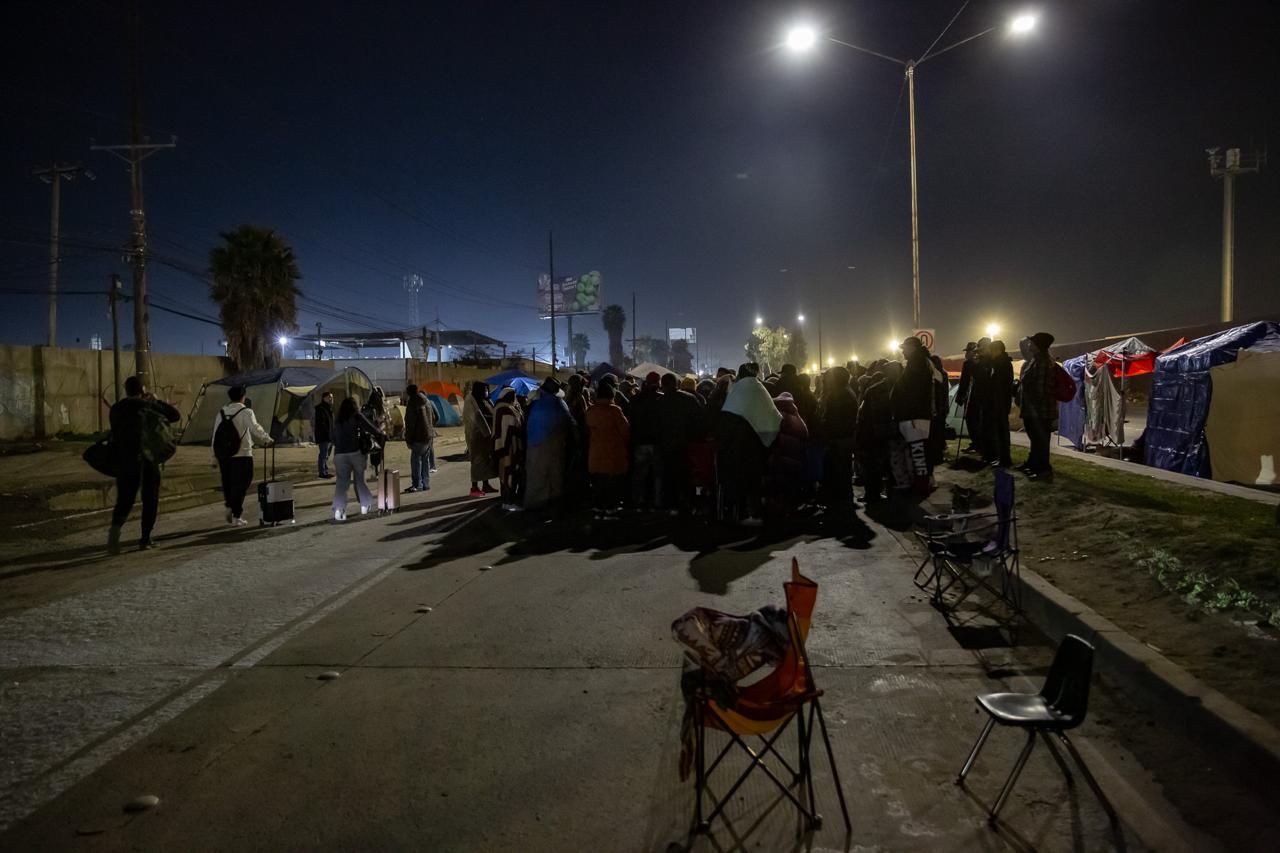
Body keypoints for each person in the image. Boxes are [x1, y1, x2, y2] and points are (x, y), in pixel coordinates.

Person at [107, 375, 180, 554]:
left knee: (124, 499)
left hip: (124, 460)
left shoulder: (116, 409)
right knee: (150, 499)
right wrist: (156, 401)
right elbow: (174, 416)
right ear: (143, 390)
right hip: (147, 459)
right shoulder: (148, 406)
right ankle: (145, 539)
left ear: (126, 390)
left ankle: (114, 533)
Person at [716, 364, 780, 526]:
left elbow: (725, 420)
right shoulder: (760, 390)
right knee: (754, 481)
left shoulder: (736, 391)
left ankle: (740, 513)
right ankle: (755, 513)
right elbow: (774, 417)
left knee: (739, 481)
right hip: (757, 446)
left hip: (736, 447)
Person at [213, 384, 273, 527]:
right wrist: (267, 439)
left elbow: (215, 436)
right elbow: (255, 428)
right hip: (243, 453)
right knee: (242, 484)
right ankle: (236, 515)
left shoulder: (222, 412)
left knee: (228, 483)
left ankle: (230, 505)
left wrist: (213, 455)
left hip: (224, 455)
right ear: (243, 397)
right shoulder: (246, 411)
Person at [891, 337, 934, 496]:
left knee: (918, 453)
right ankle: (921, 484)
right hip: (916, 415)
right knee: (919, 453)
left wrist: (904, 410)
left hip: (915, 416)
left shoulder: (917, 364)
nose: (902, 351)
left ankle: (921, 487)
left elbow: (911, 392)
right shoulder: (920, 363)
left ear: (913, 348)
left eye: (905, 348)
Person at [524, 377, 576, 511]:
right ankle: (554, 507)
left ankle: (536, 507)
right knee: (555, 476)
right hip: (554, 444)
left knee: (537, 476)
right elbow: (570, 423)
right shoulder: (559, 403)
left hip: (534, 443)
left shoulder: (534, 402)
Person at [331, 397, 385, 521]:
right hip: (356, 452)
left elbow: (331, 437)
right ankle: (364, 505)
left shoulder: (337, 419)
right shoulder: (356, 416)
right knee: (359, 480)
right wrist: (380, 433)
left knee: (341, 484)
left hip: (339, 455)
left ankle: (339, 510)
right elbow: (370, 428)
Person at [658, 372, 704, 513]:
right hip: (686, 445)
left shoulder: (659, 403)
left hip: (666, 445)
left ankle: (672, 505)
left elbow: (655, 425)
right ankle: (688, 503)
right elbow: (699, 421)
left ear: (662, 385)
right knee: (686, 475)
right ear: (677, 384)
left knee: (669, 476)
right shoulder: (690, 399)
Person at [586, 384, 630, 517]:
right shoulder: (615, 410)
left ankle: (598, 507)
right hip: (613, 453)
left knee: (598, 482)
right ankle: (611, 508)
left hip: (595, 452)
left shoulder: (590, 411)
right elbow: (625, 430)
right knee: (612, 483)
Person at [1019, 332, 1058, 479]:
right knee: (1036, 440)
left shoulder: (1043, 362)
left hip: (1040, 411)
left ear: (1038, 346)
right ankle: (1033, 464)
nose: (1028, 345)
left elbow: (1040, 390)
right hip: (1034, 410)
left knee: (1041, 441)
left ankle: (1043, 469)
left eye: (1031, 342)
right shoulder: (1036, 360)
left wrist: (1033, 408)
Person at [819, 365, 858, 506]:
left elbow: (833, 419)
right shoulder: (847, 392)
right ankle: (843, 499)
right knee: (843, 470)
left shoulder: (839, 395)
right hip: (844, 437)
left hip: (838, 438)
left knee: (838, 470)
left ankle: (839, 502)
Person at [855, 367, 895, 502]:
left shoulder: (872, 391)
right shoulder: (894, 389)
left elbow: (863, 415)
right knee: (882, 464)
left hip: (869, 434)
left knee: (870, 465)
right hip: (883, 433)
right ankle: (881, 492)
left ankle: (872, 493)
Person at [766, 392, 809, 517]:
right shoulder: (797, 417)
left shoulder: (779, 417)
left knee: (780, 486)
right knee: (790, 485)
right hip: (796, 458)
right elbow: (805, 434)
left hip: (781, 459)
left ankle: (780, 511)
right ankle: (789, 509)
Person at [628, 372, 664, 509]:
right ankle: (657, 501)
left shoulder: (636, 399)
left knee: (639, 473)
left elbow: (631, 420)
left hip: (640, 440)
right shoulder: (661, 400)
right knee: (658, 475)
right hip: (656, 441)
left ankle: (638, 500)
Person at [493, 386, 526, 510]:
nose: (515, 398)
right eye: (513, 395)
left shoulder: (506, 406)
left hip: (506, 446)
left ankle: (506, 500)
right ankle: (508, 502)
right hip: (507, 447)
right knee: (508, 473)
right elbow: (511, 427)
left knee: (506, 474)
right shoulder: (504, 409)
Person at [464, 381, 498, 497]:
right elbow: (475, 417)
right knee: (477, 462)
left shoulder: (485, 400)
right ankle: (474, 488)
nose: (486, 392)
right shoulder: (471, 400)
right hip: (477, 437)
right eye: (484, 390)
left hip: (486, 437)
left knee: (486, 461)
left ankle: (486, 485)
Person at [985, 340, 1015, 468]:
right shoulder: (1001, 363)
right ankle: (1002, 457)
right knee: (1000, 431)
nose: (990, 354)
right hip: (1000, 400)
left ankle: (1004, 459)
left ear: (998, 350)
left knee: (1001, 431)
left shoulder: (1002, 364)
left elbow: (999, 384)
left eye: (992, 351)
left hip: (1000, 401)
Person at [402, 383, 436, 493]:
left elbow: (410, 423)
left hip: (418, 437)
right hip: (428, 436)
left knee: (416, 461)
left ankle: (417, 484)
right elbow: (434, 417)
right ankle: (426, 484)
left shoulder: (412, 402)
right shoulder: (427, 401)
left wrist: (408, 439)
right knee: (425, 461)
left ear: (409, 393)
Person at [313, 390, 335, 478]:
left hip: (329, 436)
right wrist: (327, 434)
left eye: (332, 397)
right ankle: (322, 473)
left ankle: (325, 471)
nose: (331, 399)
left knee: (326, 455)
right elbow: (321, 424)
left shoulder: (329, 408)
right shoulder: (320, 409)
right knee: (323, 454)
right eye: (329, 397)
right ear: (324, 398)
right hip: (324, 436)